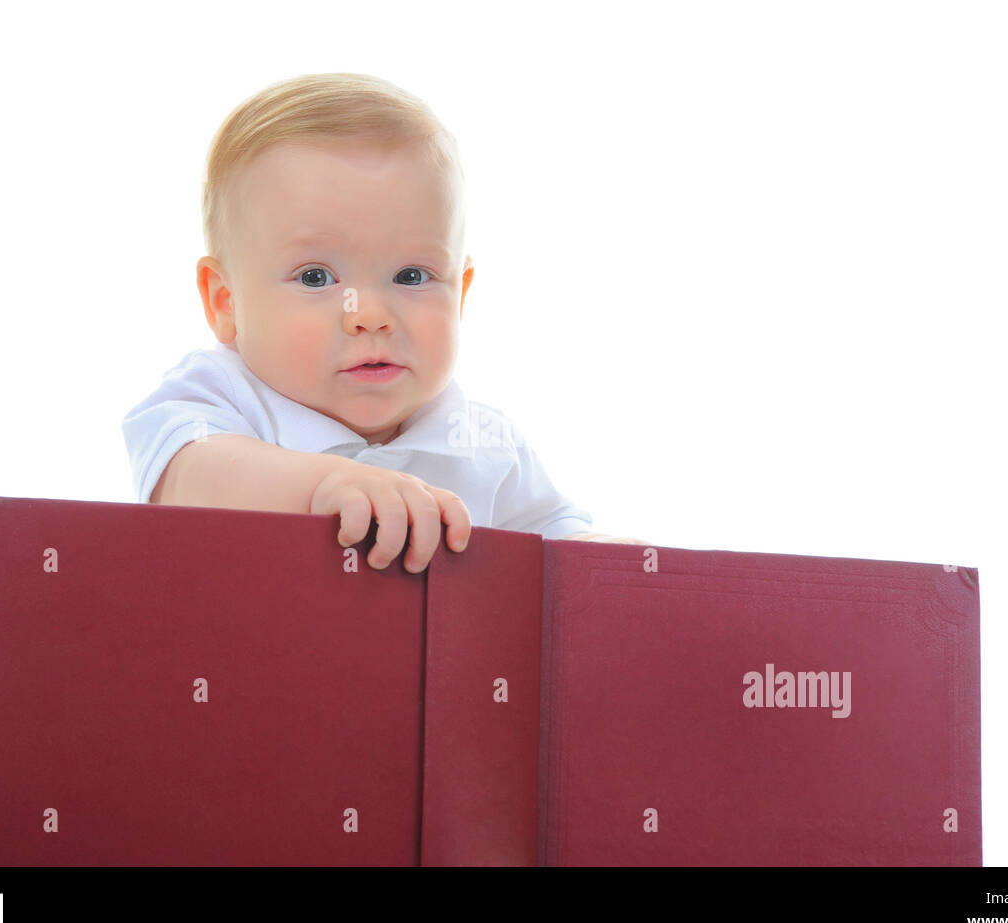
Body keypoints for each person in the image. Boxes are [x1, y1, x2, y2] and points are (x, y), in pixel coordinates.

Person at [122, 73, 647, 574]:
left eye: (411, 274)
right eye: (315, 277)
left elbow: (549, 536)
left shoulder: (482, 439)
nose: (369, 314)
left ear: (459, 294)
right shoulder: (217, 399)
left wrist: (591, 559)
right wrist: (325, 485)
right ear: (225, 301)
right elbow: (188, 476)